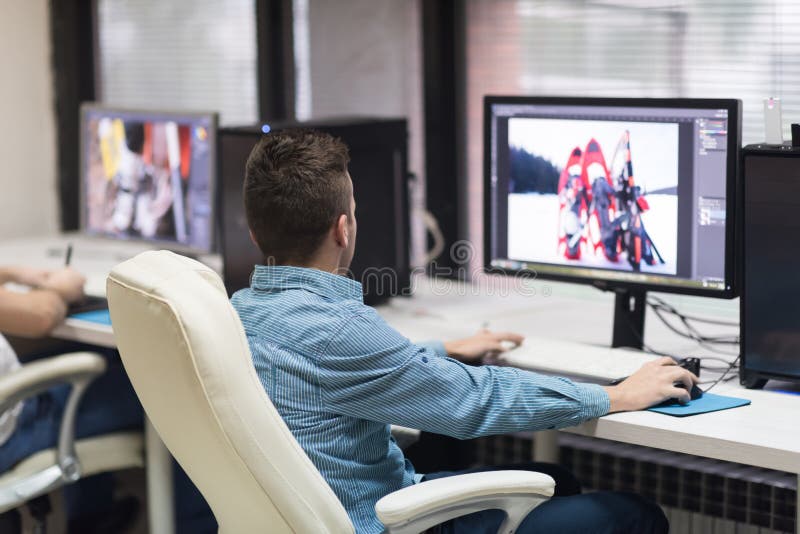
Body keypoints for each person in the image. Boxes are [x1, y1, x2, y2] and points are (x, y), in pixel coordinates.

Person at [231, 129, 696, 533]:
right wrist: (615, 395)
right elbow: (472, 402)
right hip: (383, 521)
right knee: (633, 514)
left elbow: (329, 367)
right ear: (342, 230)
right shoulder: (341, 330)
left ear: (254, 233)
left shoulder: (238, 312)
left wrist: (441, 348)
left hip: (306, 517)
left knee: (558, 479)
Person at [0, 265, 214, 533]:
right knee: (179, 388)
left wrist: (17, 274)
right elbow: (42, 315)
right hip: (17, 423)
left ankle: (93, 515)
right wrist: (60, 289)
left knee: (105, 354)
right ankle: (196, 528)